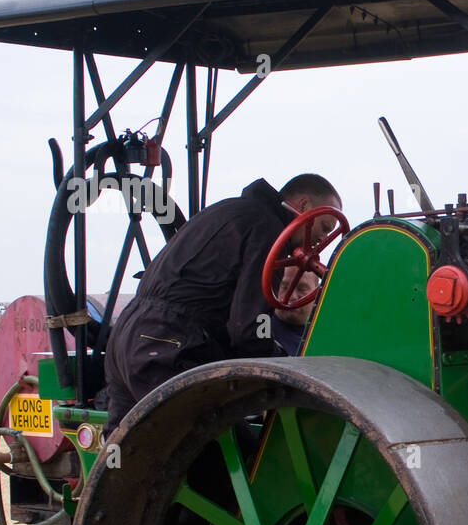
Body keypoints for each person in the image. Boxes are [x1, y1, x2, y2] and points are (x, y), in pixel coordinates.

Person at [102, 174, 342, 430]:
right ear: (304, 206)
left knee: (125, 446)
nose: (321, 241)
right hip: (168, 344)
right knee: (223, 447)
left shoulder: (230, 211)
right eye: (325, 228)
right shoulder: (268, 230)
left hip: (129, 337)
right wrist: (285, 370)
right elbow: (248, 329)